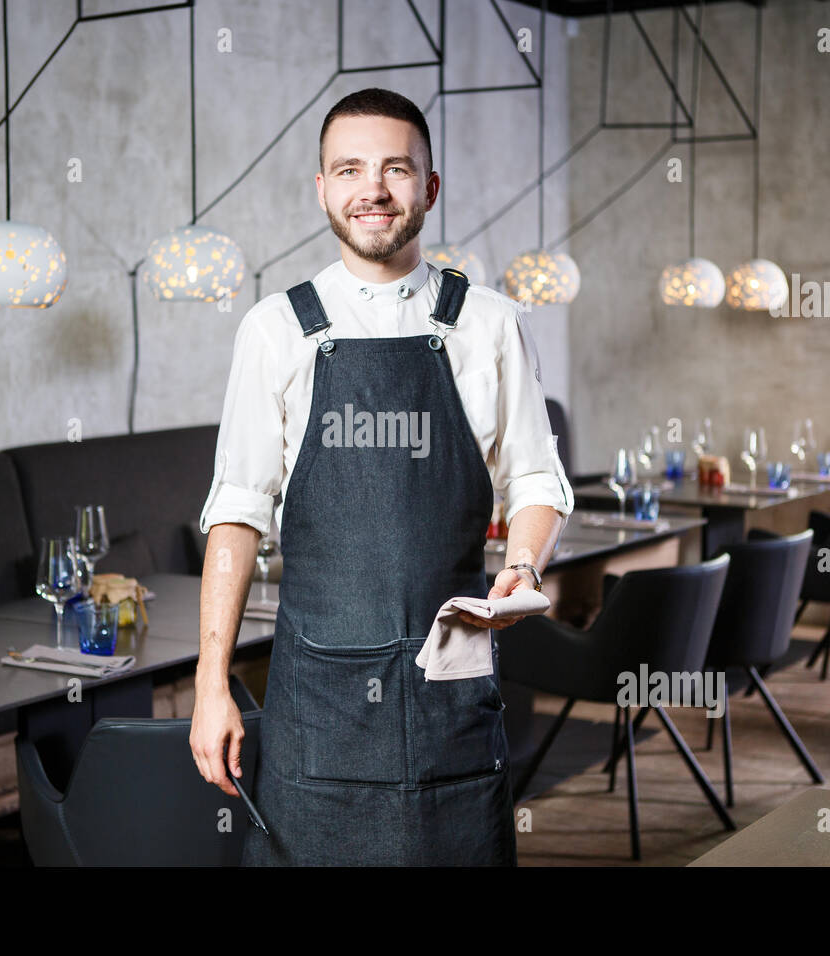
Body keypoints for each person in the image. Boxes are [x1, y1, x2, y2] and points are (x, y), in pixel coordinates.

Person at [190, 87, 573, 865]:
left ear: (430, 187)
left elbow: (537, 479)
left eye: (396, 168)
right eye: (350, 169)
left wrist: (523, 564)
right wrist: (210, 682)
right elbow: (237, 512)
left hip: (451, 689)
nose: (373, 188)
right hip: (318, 699)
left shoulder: (490, 323)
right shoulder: (275, 330)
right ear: (323, 188)